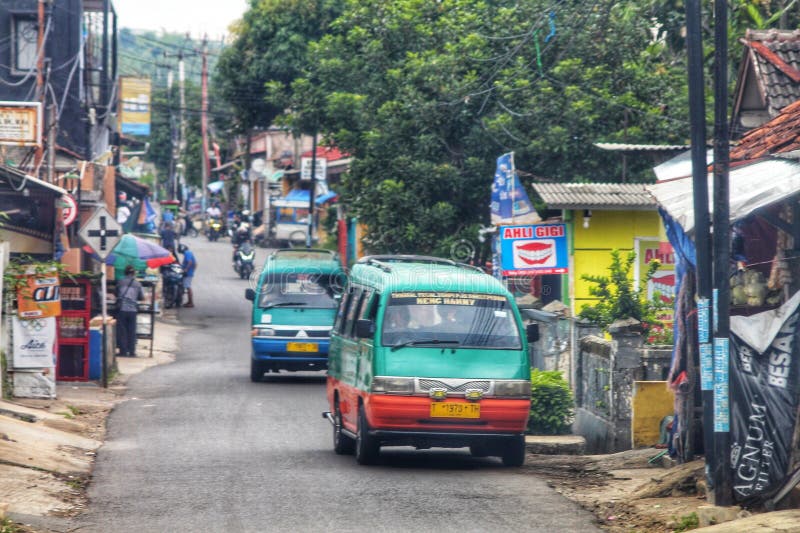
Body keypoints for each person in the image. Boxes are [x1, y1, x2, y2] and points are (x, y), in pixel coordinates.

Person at [116, 264, 144, 357]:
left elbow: (116, 293)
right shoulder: (138, 284)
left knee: (122, 331)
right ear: (133, 273)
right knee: (132, 331)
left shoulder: (120, 282)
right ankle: (132, 351)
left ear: (125, 273)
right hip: (133, 310)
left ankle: (123, 351)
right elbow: (141, 297)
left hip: (122, 310)